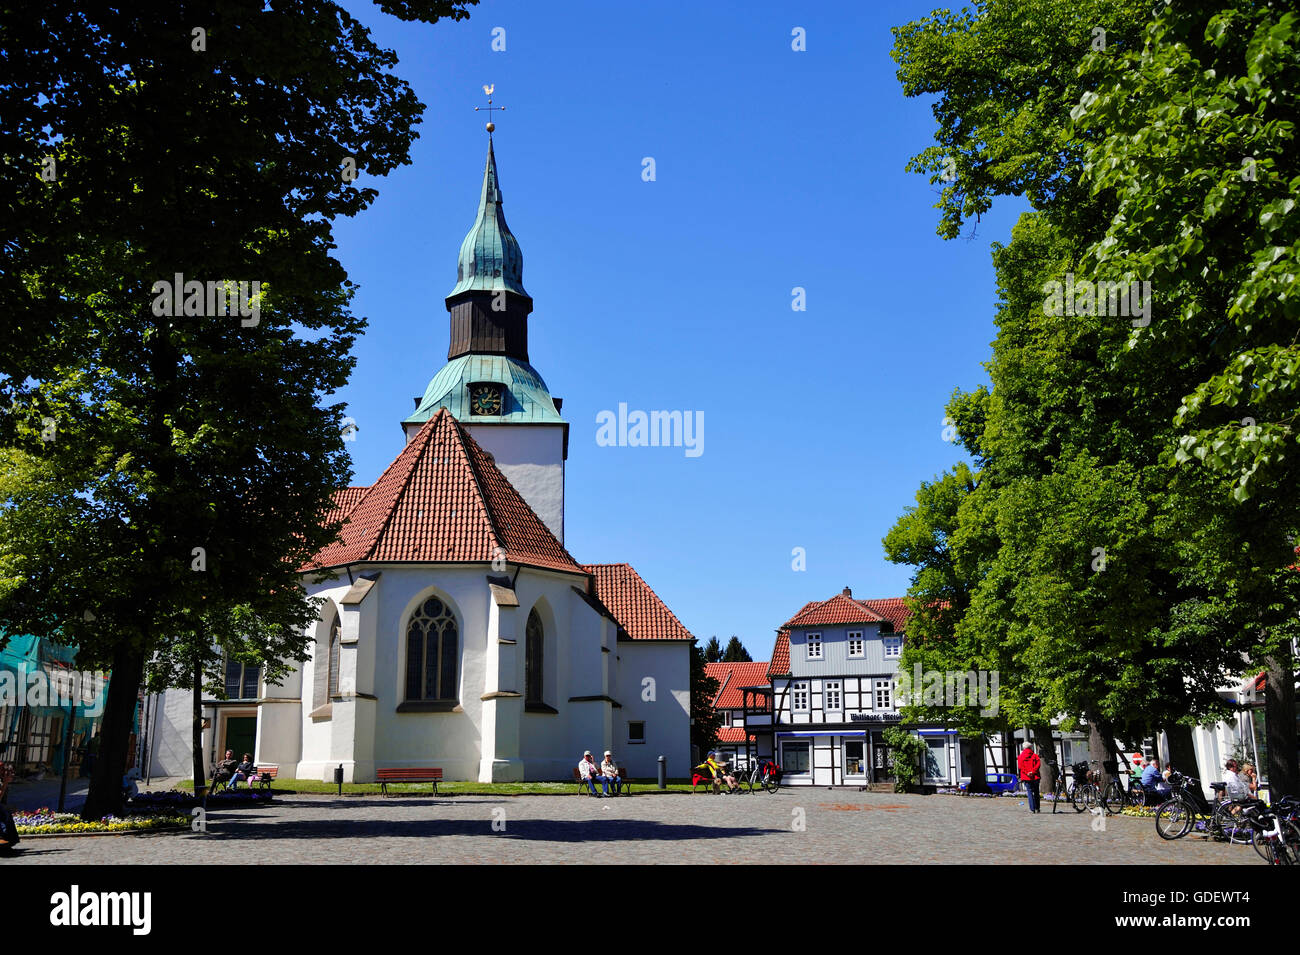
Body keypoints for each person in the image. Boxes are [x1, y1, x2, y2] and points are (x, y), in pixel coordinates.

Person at [0, 761, 19, 855]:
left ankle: (8, 845)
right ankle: (3, 841)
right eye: (11, 772)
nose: (13, 774)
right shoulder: (1, 782)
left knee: (7, 814)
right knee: (4, 817)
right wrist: (5, 783)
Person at [1017, 742, 1041, 813]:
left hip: (1026, 777)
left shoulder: (1021, 756)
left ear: (1023, 748)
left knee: (1030, 792)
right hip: (1035, 776)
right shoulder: (1035, 756)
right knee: (1036, 792)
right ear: (1031, 747)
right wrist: (1033, 772)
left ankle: (1032, 808)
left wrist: (1027, 772)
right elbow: (1038, 764)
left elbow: (1020, 767)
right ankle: (1037, 808)